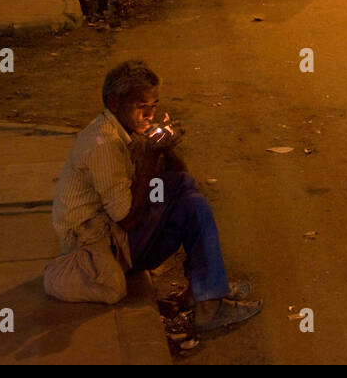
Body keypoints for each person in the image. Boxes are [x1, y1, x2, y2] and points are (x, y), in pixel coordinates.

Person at [46, 60, 262, 331]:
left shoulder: (127, 132)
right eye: (141, 107)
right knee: (183, 195)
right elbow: (127, 220)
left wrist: (166, 147)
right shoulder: (103, 144)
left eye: (153, 107)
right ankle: (206, 298)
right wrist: (151, 154)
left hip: (121, 240)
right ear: (114, 103)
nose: (148, 116)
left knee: (191, 203)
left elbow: (181, 175)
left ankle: (203, 294)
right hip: (97, 252)